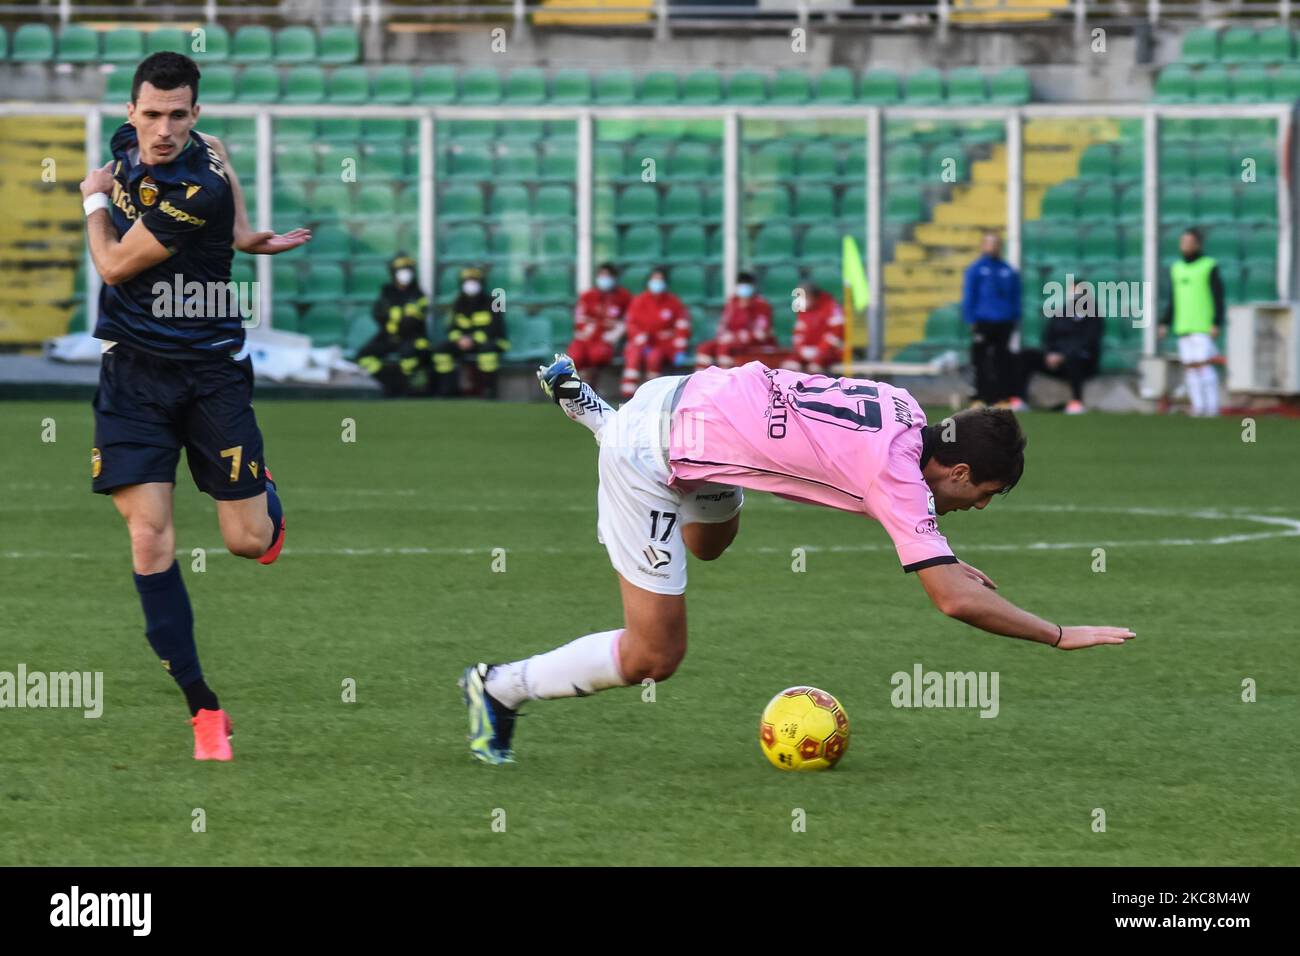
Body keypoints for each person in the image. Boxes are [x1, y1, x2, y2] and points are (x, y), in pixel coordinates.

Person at [457, 354, 1136, 765]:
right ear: (955, 468)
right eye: (983, 494)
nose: (981, 506)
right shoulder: (898, 478)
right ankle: (497, 687)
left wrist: (943, 554)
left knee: (711, 543)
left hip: (686, 396)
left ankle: (599, 411)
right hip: (650, 459)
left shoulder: (903, 407)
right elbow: (951, 599)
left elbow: (885, 487)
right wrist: (1055, 632)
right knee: (653, 657)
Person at [80, 52, 309, 761]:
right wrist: (243, 235)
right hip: (133, 377)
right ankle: (202, 708)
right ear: (132, 112)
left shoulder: (194, 184)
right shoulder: (146, 147)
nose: (164, 130)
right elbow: (225, 152)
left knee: (247, 542)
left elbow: (113, 264)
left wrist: (92, 199)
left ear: (194, 115)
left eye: (179, 116)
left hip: (211, 375)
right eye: (152, 114)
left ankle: (264, 496)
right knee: (149, 538)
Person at [1158, 228, 1225, 417]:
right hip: (1183, 326)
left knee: (1203, 366)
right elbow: (1174, 299)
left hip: (1203, 325)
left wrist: (1216, 322)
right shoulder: (1177, 268)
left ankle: (1212, 408)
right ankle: (1198, 407)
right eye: (1183, 242)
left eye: (1188, 242)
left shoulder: (1208, 266)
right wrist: (1165, 322)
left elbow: (1218, 296)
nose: (1185, 246)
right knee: (1190, 369)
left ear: (1197, 244)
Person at [1011, 281, 1102, 414]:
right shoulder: (1061, 312)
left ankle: (1076, 402)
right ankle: (1019, 400)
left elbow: (1088, 341)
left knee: (1074, 359)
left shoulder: (1093, 315)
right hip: (1054, 359)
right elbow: (1049, 336)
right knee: (1025, 356)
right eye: (1073, 292)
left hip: (1080, 361)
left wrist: (1063, 355)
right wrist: (1050, 353)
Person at [355, 253, 434, 397]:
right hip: (389, 336)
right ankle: (390, 381)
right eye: (401, 271)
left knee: (409, 355)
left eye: (408, 270)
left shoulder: (418, 294)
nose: (405, 274)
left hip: (413, 337)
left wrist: (394, 316)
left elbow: (413, 321)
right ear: (393, 273)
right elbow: (378, 315)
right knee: (363, 356)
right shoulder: (386, 292)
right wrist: (398, 317)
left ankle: (407, 389)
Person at [962, 232, 1021, 408]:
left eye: (995, 243)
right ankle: (979, 397)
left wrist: (1015, 317)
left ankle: (1001, 398)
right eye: (989, 243)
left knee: (1002, 360)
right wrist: (970, 318)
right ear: (983, 245)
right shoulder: (976, 269)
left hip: (1004, 321)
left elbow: (1015, 296)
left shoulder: (1008, 270)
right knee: (979, 360)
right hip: (983, 321)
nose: (992, 246)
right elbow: (969, 295)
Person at [432, 266, 510, 399]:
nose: (471, 284)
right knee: (441, 349)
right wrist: (459, 340)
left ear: (481, 283)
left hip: (488, 342)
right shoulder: (457, 303)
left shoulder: (493, 302)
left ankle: (489, 390)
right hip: (463, 343)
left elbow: (497, 327)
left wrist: (473, 339)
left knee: (488, 351)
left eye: (474, 281)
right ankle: (448, 389)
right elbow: (451, 327)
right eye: (467, 281)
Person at [620, 267, 691, 399]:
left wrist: (679, 349)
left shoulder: (673, 302)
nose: (657, 283)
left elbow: (682, 325)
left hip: (663, 344)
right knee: (633, 354)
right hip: (641, 342)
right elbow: (631, 324)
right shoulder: (639, 301)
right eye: (654, 280)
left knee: (654, 357)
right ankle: (627, 396)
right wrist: (640, 339)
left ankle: (651, 395)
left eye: (660, 280)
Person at [694, 271, 774, 371]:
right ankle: (701, 379)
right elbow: (723, 325)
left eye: (746, 285)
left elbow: (761, 334)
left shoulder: (761, 305)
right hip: (732, 341)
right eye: (741, 285)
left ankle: (726, 380)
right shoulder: (733, 303)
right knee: (704, 348)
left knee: (724, 348)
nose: (743, 289)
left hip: (753, 343)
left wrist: (735, 336)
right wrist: (723, 335)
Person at [568, 261, 630, 375]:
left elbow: (628, 321)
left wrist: (616, 332)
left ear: (614, 278)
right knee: (574, 358)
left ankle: (590, 383)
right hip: (586, 338)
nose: (604, 279)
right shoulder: (588, 296)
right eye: (602, 276)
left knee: (598, 356)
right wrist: (588, 329)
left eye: (608, 276)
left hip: (606, 340)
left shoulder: (623, 297)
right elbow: (579, 319)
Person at [781, 280, 843, 375]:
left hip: (830, 353)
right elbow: (799, 334)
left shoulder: (831, 306)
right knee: (789, 366)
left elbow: (836, 335)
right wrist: (802, 349)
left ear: (812, 296)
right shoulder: (803, 309)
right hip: (807, 352)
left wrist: (820, 350)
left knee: (814, 368)